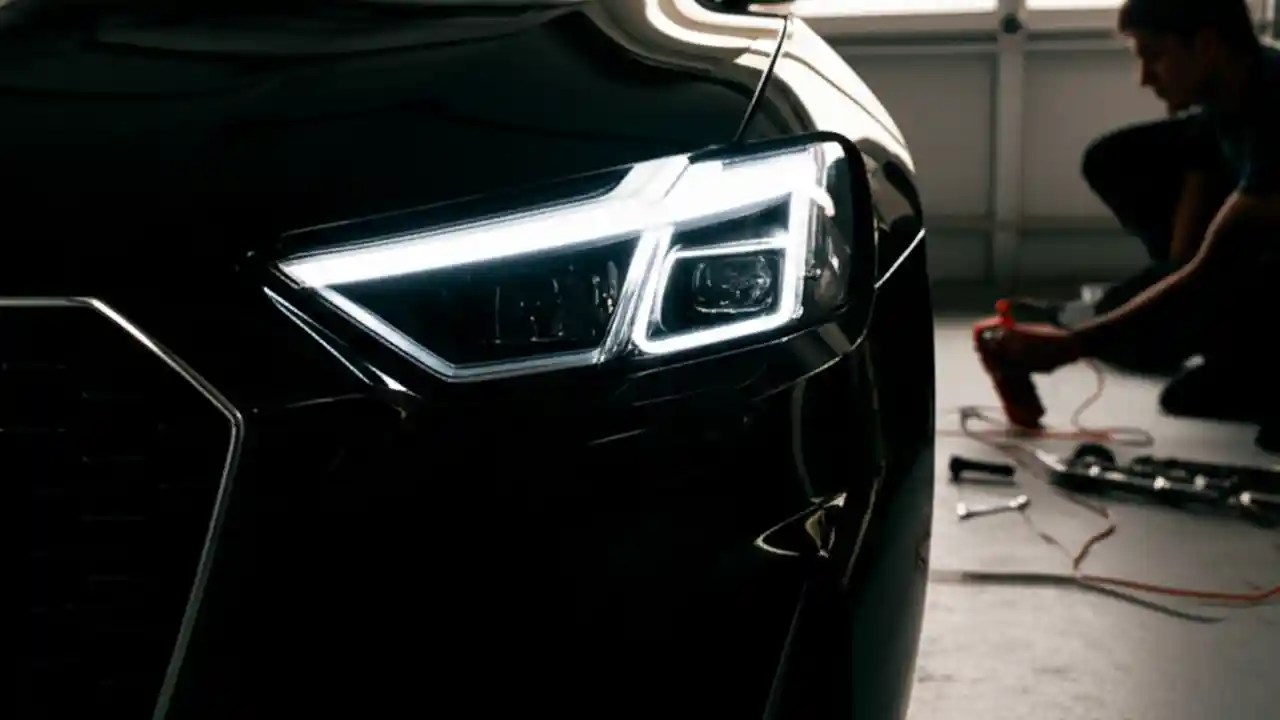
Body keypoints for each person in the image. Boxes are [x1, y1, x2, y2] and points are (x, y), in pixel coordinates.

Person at [990, 0, 1280, 452]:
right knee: (1117, 158)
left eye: (1154, 55)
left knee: (1195, 389)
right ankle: (1158, 318)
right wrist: (1174, 272)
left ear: (1205, 46)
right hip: (1241, 268)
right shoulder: (1233, 90)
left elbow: (1210, 272)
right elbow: (1201, 179)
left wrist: (1072, 345)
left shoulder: (1273, 106)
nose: (1144, 77)